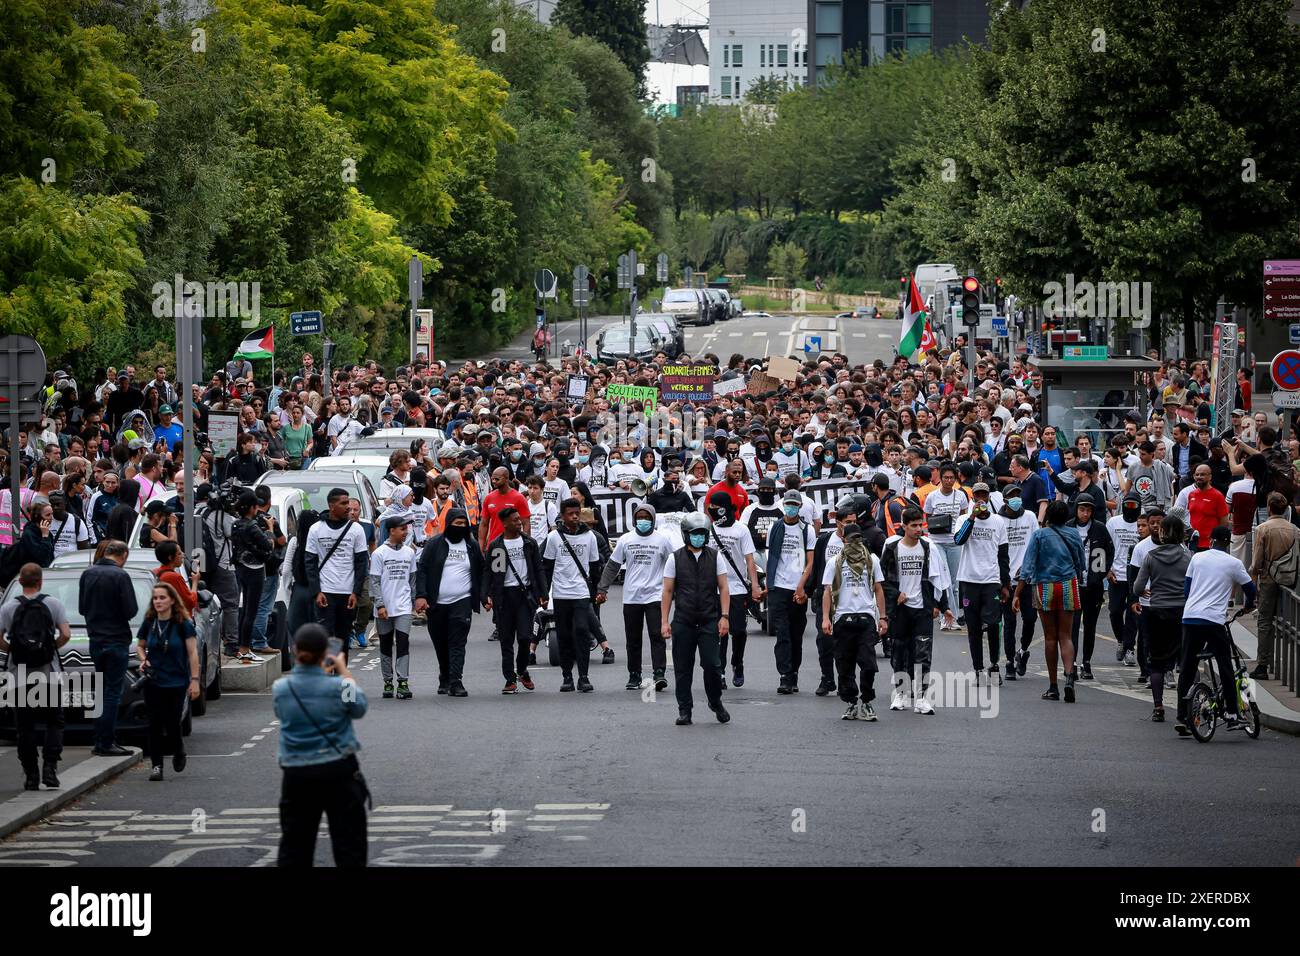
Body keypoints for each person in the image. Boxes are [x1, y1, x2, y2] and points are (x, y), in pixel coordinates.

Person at [273, 623, 369, 868]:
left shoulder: (282, 689)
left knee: (295, 846)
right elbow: (358, 708)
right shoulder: (339, 687)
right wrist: (343, 670)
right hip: (338, 769)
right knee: (349, 846)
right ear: (326, 653)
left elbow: (281, 713)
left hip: (297, 773)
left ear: (295, 651)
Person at [1175, 525, 1255, 737]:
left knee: (1187, 668)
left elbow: (1187, 589)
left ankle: (1182, 716)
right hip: (1213, 620)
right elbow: (1250, 588)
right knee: (1225, 665)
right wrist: (1249, 605)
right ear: (1228, 543)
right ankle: (1230, 713)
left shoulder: (1197, 558)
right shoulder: (1234, 563)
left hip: (1190, 617)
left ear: (1210, 540)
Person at [0, 563, 71, 790]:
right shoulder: (53, 604)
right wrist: (50, 648)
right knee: (54, 721)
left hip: (18, 674)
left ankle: (31, 774)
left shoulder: (8, 607)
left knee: (25, 725)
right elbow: (66, 634)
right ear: (41, 581)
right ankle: (50, 768)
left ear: (20, 581)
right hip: (48, 672)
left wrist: (13, 650)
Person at [660, 512, 731, 726]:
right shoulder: (675, 558)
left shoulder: (715, 556)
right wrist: (664, 621)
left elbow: (724, 587)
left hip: (709, 620)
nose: (698, 537)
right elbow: (667, 591)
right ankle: (685, 710)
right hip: (683, 621)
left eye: (702, 534)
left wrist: (724, 616)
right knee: (683, 668)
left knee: (712, 665)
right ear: (685, 535)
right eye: (694, 534)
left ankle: (715, 701)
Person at [597, 502, 673, 692]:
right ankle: (634, 674)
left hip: (655, 595)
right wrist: (602, 588)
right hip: (632, 596)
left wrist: (677, 590)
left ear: (653, 519)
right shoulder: (625, 539)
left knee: (657, 635)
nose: (643, 521)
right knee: (633, 638)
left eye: (647, 518)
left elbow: (674, 565)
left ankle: (659, 673)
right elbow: (613, 565)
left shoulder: (662, 540)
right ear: (634, 520)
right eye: (639, 518)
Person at [1014, 500, 1085, 703]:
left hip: (1044, 586)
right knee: (1066, 636)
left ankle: (1053, 686)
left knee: (1050, 638)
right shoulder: (1074, 534)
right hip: (1068, 585)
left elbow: (1027, 568)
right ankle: (1070, 677)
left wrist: (1017, 594)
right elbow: (1081, 563)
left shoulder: (1039, 535)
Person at [881, 508, 949, 714]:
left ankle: (921, 698)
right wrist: (895, 594)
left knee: (923, 654)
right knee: (899, 652)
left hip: (923, 609)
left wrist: (942, 606)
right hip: (900, 610)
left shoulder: (929, 548)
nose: (919, 529)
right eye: (914, 525)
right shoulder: (892, 547)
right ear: (904, 527)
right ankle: (901, 695)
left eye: (921, 525)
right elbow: (881, 580)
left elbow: (939, 578)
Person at [413, 508, 484, 696]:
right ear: (449, 524)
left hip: (462, 601)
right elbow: (423, 570)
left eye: (463, 524)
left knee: (458, 642)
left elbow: (481, 571)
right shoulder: (435, 544)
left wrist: (485, 595)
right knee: (440, 643)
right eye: (457, 523)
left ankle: (456, 681)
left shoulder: (471, 545)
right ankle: (444, 675)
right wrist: (421, 595)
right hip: (436, 604)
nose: (460, 527)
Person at [78, 540, 139, 755]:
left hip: (95, 639)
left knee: (101, 690)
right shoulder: (120, 576)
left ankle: (100, 738)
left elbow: (82, 607)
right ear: (123, 555)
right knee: (113, 691)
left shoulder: (88, 574)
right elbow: (131, 609)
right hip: (117, 638)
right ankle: (106, 741)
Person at [134, 581, 200, 781]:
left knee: (172, 723)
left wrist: (195, 680)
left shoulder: (183, 624)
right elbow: (140, 646)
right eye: (155, 598)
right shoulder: (150, 622)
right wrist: (143, 660)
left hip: (176, 681)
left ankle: (178, 749)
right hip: (153, 681)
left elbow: (192, 653)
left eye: (162, 597)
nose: (158, 601)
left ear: (172, 600)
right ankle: (156, 766)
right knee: (154, 723)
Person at [820, 525, 887, 721]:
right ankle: (851, 702)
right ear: (844, 540)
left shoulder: (871, 560)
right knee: (844, 665)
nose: (854, 543)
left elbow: (878, 589)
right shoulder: (835, 562)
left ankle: (866, 701)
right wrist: (825, 618)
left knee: (868, 664)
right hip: (842, 618)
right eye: (851, 540)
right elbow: (827, 591)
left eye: (858, 539)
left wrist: (882, 617)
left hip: (866, 618)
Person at [1130, 515, 1192, 722]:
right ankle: (1186, 707)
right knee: (1184, 661)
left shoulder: (1151, 556)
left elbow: (1138, 587)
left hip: (1156, 612)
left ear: (1163, 533)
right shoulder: (1188, 557)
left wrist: (1146, 592)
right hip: (1181, 613)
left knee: (1156, 662)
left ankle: (1158, 706)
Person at [541, 498, 603, 693]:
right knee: (564, 635)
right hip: (560, 593)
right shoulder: (554, 538)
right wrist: (544, 594)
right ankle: (567, 676)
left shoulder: (590, 537)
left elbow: (594, 567)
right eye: (570, 513)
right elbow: (548, 567)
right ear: (562, 515)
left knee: (582, 631)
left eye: (577, 513)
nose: (575, 516)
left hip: (581, 592)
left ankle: (583, 677)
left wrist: (597, 592)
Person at [484, 506, 547, 693]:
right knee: (506, 639)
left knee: (525, 637)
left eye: (519, 519)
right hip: (504, 597)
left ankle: (522, 669)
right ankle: (509, 679)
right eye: (514, 520)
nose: (519, 522)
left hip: (525, 596)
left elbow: (538, 569)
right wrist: (486, 596)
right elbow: (492, 573)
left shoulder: (529, 543)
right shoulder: (497, 546)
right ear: (504, 524)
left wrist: (543, 593)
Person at [304, 488, 370, 664]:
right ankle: (326, 676)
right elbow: (310, 563)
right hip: (325, 592)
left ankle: (339, 678)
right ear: (331, 505)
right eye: (343, 503)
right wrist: (316, 591)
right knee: (326, 637)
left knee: (342, 638)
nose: (348, 507)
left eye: (348, 502)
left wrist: (356, 592)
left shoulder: (356, 530)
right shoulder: (316, 529)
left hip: (348, 594)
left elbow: (361, 563)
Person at [953, 482, 1011, 684]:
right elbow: (959, 540)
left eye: (983, 496)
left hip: (991, 580)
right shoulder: (963, 519)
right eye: (976, 496)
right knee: (974, 628)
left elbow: (1003, 555)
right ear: (972, 498)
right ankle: (978, 668)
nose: (980, 499)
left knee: (994, 624)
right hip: (969, 580)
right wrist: (972, 518)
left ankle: (994, 664)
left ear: (988, 497)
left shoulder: (998, 522)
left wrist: (1006, 584)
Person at [705, 492, 763, 689]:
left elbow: (749, 560)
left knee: (738, 631)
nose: (711, 509)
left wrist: (754, 586)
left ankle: (737, 663)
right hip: (714, 589)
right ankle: (719, 671)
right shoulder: (709, 529)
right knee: (719, 632)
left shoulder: (741, 529)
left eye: (714, 506)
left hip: (737, 587)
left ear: (723, 508)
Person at [767, 489, 816, 695]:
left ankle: (794, 672)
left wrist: (802, 586)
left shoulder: (807, 530)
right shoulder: (775, 528)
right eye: (788, 504)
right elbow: (772, 557)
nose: (791, 508)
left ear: (799, 507)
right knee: (782, 633)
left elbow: (810, 561)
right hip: (778, 587)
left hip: (798, 588)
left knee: (796, 634)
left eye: (795, 505)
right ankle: (785, 675)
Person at [368, 516, 418, 699]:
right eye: (402, 529)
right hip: (384, 608)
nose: (406, 533)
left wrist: (414, 602)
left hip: (403, 607)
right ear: (392, 531)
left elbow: (412, 579)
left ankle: (403, 682)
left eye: (406, 529)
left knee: (403, 643)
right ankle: (388, 682)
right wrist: (380, 605)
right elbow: (374, 582)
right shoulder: (379, 554)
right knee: (386, 645)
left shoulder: (409, 553)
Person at [1249, 491, 1297, 680]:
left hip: (1269, 578)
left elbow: (1257, 560)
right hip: (1290, 579)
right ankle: (1287, 664)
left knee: (1265, 621)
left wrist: (1253, 583)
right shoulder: (1295, 529)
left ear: (1269, 507)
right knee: (1288, 624)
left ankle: (1263, 664)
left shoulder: (1263, 528)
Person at [1067, 497, 1113, 680]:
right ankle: (1073, 663)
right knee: (1073, 625)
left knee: (1090, 626)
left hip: (1093, 586)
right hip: (1073, 585)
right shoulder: (1069, 527)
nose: (1085, 514)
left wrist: (1099, 575)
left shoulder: (1100, 529)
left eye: (1088, 510)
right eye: (1082, 510)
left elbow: (1109, 552)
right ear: (1076, 509)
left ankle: (1087, 662)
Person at [922, 463, 970, 632]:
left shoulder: (961, 496)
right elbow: (927, 516)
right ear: (940, 479)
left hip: (955, 542)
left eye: (951, 478)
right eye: (945, 478)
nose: (949, 481)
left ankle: (954, 618)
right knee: (944, 581)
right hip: (936, 542)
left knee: (956, 584)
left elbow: (964, 516)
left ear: (955, 479)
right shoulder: (932, 497)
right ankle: (944, 617)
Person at [999, 485, 1039, 680]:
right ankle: (1008, 662)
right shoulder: (998, 521)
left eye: (1018, 495)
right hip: (1006, 580)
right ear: (1005, 499)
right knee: (1009, 622)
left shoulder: (1030, 517)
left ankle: (1022, 651)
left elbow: (1036, 542)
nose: (1016, 499)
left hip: (1028, 578)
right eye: (1011, 496)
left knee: (1030, 619)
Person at [231, 491, 274, 663]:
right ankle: (245, 648)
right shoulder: (252, 526)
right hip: (255, 569)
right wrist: (270, 528)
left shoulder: (236, 525)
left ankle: (242, 647)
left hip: (241, 567)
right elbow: (268, 545)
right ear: (252, 507)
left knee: (245, 610)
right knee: (252, 611)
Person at [1104, 493, 1143, 667]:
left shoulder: (1142, 523)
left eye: (1134, 505)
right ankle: (1121, 639)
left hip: (1136, 577)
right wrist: (1107, 570)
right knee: (1114, 611)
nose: (1130, 509)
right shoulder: (1113, 523)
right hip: (1116, 575)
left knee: (1133, 615)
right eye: (1128, 505)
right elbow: (1105, 546)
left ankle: (1129, 648)